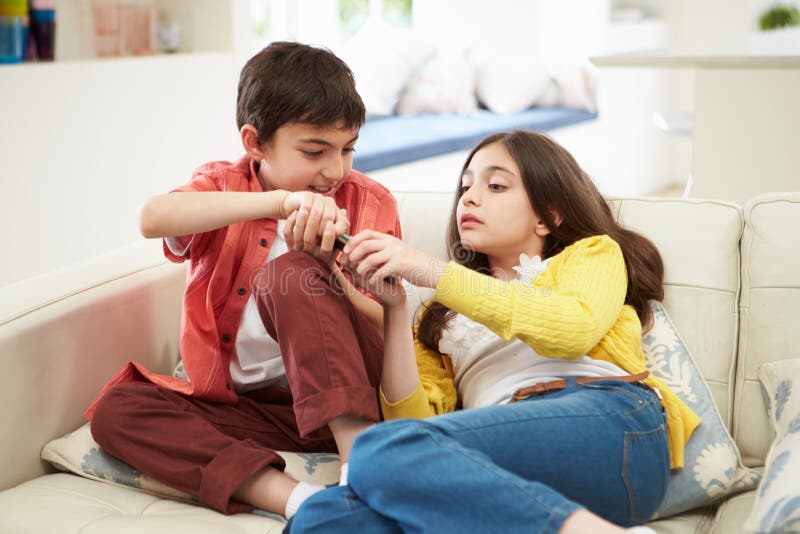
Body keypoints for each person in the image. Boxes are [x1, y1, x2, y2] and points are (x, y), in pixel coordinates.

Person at [288, 130, 702, 533]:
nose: (469, 197)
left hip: (611, 430)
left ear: (548, 216)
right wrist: (396, 311)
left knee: (373, 452)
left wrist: (431, 271)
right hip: (507, 465)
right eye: (466, 186)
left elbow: (571, 330)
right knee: (321, 518)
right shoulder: (439, 315)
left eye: (496, 185)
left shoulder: (591, 254)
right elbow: (412, 422)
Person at [84, 41, 401, 519]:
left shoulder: (371, 203)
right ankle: (297, 499)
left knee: (290, 274)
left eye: (348, 149)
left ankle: (361, 474)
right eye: (314, 151)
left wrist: (329, 272)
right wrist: (280, 204)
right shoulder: (221, 187)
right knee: (115, 410)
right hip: (250, 411)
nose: (335, 170)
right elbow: (152, 217)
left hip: (352, 404)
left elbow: (397, 329)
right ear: (255, 142)